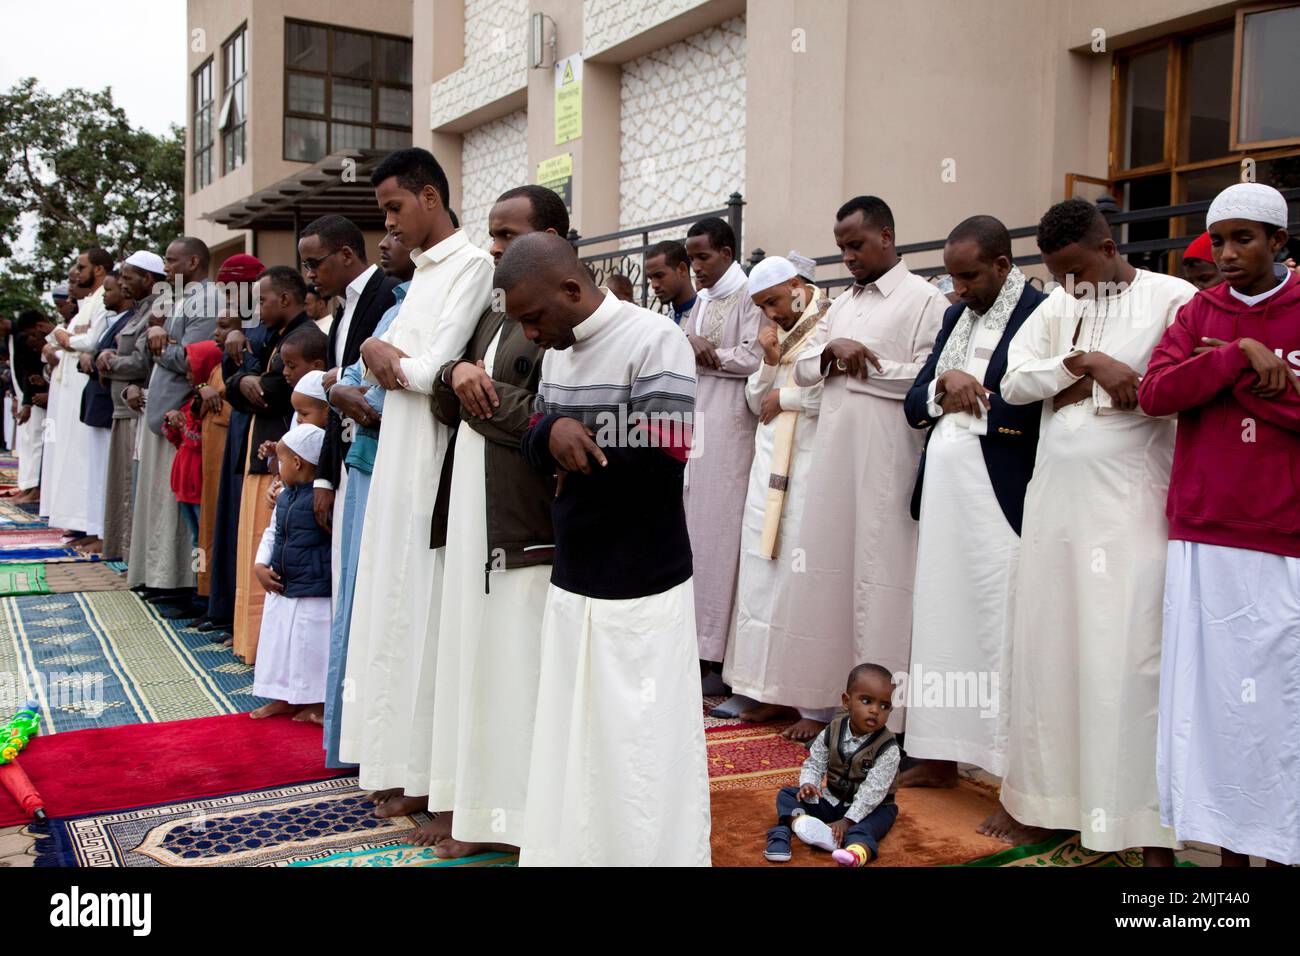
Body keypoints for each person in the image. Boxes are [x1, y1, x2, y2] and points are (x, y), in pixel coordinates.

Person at [999, 198, 1196, 863]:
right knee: (1052, 650)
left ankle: (1142, 827)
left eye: (1077, 270)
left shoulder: (1174, 298)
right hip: (1056, 504)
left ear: (1109, 249)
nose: (1067, 287)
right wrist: (1083, 366)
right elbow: (1013, 382)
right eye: (1057, 274)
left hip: (1130, 508)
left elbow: (1167, 388)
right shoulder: (1057, 307)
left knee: (1128, 662)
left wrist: (1111, 379)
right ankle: (1049, 804)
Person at [505, 232, 710, 867]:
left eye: (534, 318)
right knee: (579, 732)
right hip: (576, 568)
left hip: (643, 575)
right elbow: (535, 440)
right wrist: (556, 434)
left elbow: (660, 458)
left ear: (571, 290)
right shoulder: (559, 350)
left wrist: (566, 437)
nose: (531, 336)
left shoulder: (654, 339)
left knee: (641, 741)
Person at [1139, 182, 1300, 867]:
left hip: (1284, 536)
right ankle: (1230, 853)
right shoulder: (1199, 311)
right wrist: (1235, 358)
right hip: (1205, 533)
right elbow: (1154, 394)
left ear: (1279, 243)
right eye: (1220, 240)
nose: (1228, 254)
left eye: (1245, 239)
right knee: (1215, 713)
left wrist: (1234, 380)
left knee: (1281, 711)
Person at [339, 148, 492, 814]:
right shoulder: (420, 275)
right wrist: (380, 357)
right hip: (395, 455)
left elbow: (431, 371)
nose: (390, 225)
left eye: (395, 208)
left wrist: (380, 355)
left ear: (431, 198)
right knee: (393, 607)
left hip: (433, 457)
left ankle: (432, 779)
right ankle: (395, 764)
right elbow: (381, 368)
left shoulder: (473, 265)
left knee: (426, 612)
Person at [766, 196, 946, 742]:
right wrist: (830, 355)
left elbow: (925, 378)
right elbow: (798, 368)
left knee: (883, 579)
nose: (848, 256)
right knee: (827, 571)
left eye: (857, 244)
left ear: (887, 236)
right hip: (835, 456)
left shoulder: (925, 299)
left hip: (889, 455)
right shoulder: (840, 303)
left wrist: (854, 361)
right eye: (842, 247)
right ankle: (823, 702)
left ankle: (888, 720)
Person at [421, 184, 564, 855]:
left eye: (508, 235)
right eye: (493, 234)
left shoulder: (562, 324)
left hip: (521, 524)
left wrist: (482, 390)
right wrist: (455, 376)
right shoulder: (489, 316)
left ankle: (518, 823)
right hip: (470, 514)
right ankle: (474, 811)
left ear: (553, 240)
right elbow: (450, 401)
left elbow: (553, 423)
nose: (494, 248)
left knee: (515, 668)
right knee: (473, 663)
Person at [897, 217, 1048, 840]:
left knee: (999, 628)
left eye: (969, 276)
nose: (957, 289)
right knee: (941, 623)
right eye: (953, 277)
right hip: (946, 500)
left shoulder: (1040, 313)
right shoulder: (956, 317)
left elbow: (1043, 398)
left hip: (1002, 499)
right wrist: (942, 384)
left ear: (1004, 265)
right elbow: (914, 404)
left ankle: (1019, 784)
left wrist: (975, 392)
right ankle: (939, 754)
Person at [718, 255, 831, 734]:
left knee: (798, 578)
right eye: (763, 307)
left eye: (774, 302)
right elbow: (751, 400)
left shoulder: (831, 324)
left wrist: (783, 397)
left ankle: (811, 705)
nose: (772, 315)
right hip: (768, 464)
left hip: (809, 463)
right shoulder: (774, 335)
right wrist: (767, 362)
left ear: (798, 286)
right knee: (760, 576)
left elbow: (837, 394)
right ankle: (762, 690)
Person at [321, 229, 413, 770]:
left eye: (396, 221)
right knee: (357, 604)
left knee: (388, 608)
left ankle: (387, 754)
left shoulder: (439, 297)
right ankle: (358, 746)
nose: (386, 239)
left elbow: (388, 387)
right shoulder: (391, 307)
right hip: (364, 462)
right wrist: (341, 391)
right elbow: (352, 380)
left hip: (395, 467)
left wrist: (354, 390)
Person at [224, 269, 324, 663]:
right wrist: (242, 379)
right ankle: (258, 648)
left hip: (290, 476)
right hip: (274, 465)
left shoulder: (305, 337)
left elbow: (270, 394)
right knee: (260, 553)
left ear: (284, 299)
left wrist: (251, 383)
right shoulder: (270, 337)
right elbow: (240, 383)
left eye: (263, 300)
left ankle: (276, 657)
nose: (257, 309)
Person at [682, 217, 763, 681]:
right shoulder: (704, 301)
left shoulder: (750, 295)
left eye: (703, 257)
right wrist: (692, 344)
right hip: (698, 426)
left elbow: (753, 356)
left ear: (728, 254)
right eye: (691, 259)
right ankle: (695, 647)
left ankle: (718, 654)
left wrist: (703, 353)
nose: (696, 267)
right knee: (695, 533)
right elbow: (688, 349)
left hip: (733, 426)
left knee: (721, 535)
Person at [300, 215, 399, 568]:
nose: (309, 275)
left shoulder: (389, 294)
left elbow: (385, 377)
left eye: (314, 263)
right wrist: (324, 477)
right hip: (344, 462)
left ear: (345, 255)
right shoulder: (342, 311)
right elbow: (335, 402)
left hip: (377, 457)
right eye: (305, 266)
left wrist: (342, 379)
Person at [128, 237, 218, 613]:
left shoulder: (209, 299)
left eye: (171, 260)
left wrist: (158, 343)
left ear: (193, 261)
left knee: (180, 512)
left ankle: (182, 585)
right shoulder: (180, 299)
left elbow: (194, 363)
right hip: (165, 422)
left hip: (184, 424)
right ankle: (162, 579)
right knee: (162, 507)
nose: (165, 267)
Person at [764, 663, 900, 867]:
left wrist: (848, 821)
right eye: (866, 701)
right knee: (787, 795)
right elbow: (815, 762)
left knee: (866, 828)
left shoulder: (888, 748)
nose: (875, 710)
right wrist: (809, 785)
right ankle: (792, 827)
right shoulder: (832, 729)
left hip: (874, 807)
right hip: (833, 798)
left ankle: (856, 853)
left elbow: (873, 792)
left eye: (884, 706)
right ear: (847, 701)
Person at [201, 254, 266, 639]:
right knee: (228, 520)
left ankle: (237, 618)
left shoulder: (263, 328)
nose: (227, 294)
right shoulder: (241, 327)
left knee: (245, 526)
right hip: (236, 430)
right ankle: (222, 607)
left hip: (252, 432)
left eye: (232, 286)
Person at [249, 422, 331, 723]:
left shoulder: (325, 500)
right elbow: (272, 532)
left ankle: (319, 704)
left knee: (312, 649)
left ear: (298, 462)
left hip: (314, 589)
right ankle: (284, 697)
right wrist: (260, 565)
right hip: (282, 583)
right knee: (280, 644)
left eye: (281, 461)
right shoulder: (285, 496)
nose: (278, 467)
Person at [97, 252, 165, 563]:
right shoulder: (140, 312)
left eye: (128, 277)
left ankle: (129, 554)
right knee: (122, 484)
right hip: (123, 407)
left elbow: (140, 362)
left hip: (137, 409)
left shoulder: (156, 311)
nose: (123, 283)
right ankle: (123, 551)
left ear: (148, 279)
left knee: (129, 486)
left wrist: (108, 362)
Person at [47, 246, 112, 545]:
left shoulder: (103, 300)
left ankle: (92, 525)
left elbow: (91, 341)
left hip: (88, 390)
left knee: (88, 459)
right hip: (72, 391)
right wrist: (65, 339)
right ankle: (79, 522)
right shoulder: (87, 302)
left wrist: (65, 337)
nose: (75, 272)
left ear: (98, 270)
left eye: (80, 266)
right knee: (74, 457)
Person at [161, 342, 224, 550]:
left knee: (203, 539)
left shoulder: (214, 401)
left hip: (199, 485)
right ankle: (199, 578)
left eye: (192, 370)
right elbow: (178, 440)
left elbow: (198, 441)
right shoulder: (193, 401)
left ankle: (203, 579)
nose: (188, 375)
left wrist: (184, 423)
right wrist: (172, 421)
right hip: (184, 485)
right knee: (195, 540)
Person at [12, 311, 53, 503]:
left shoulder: (55, 339)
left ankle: (38, 489)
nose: (30, 341)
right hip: (40, 402)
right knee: (33, 443)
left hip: (52, 407)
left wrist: (47, 390)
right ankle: (31, 487)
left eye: (32, 336)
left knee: (43, 445)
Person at [644, 240, 696, 325]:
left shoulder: (707, 315)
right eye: (650, 278)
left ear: (682, 269)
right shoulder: (663, 324)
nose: (654, 285)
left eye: (659, 275)